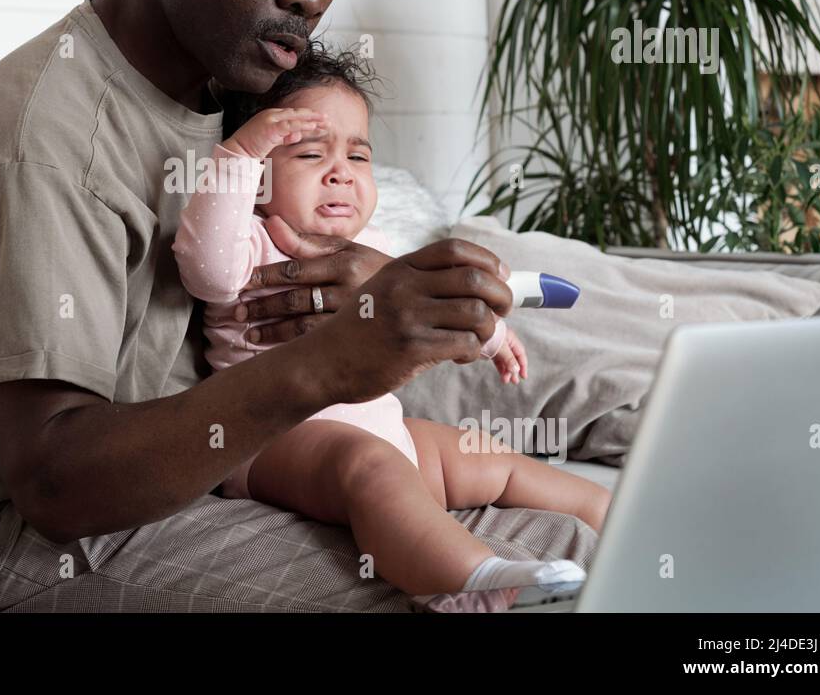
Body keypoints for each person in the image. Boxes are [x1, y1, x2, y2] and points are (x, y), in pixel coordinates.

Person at [0, 0, 600, 613]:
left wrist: (346, 274)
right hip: (19, 536)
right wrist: (324, 360)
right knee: (449, 595)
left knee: (591, 548)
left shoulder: (228, 87)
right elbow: (53, 481)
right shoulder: (41, 143)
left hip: (217, 471)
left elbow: (275, 257)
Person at [172, 45, 612, 604]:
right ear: (255, 176)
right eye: (309, 155)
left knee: (489, 456)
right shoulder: (250, 241)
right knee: (369, 464)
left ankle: (628, 520)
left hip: (387, 430)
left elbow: (430, 302)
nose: (341, 175)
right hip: (275, 443)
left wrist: (492, 334)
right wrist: (239, 153)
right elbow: (206, 270)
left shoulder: (371, 250)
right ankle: (470, 579)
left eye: (358, 157)